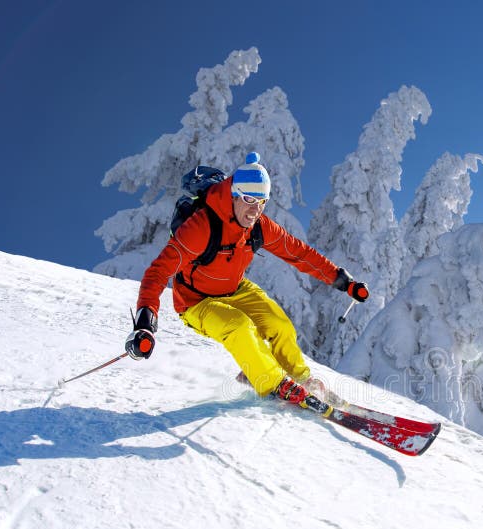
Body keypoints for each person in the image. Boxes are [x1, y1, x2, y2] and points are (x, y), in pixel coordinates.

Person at [125, 152, 369, 404]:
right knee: (239, 326)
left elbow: (299, 253)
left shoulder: (259, 226)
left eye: (262, 202)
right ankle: (273, 384)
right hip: (196, 301)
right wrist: (145, 322)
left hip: (236, 289)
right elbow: (158, 272)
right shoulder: (201, 227)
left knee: (279, 325)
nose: (255, 210)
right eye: (249, 199)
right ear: (233, 194)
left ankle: (301, 380)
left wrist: (344, 281)